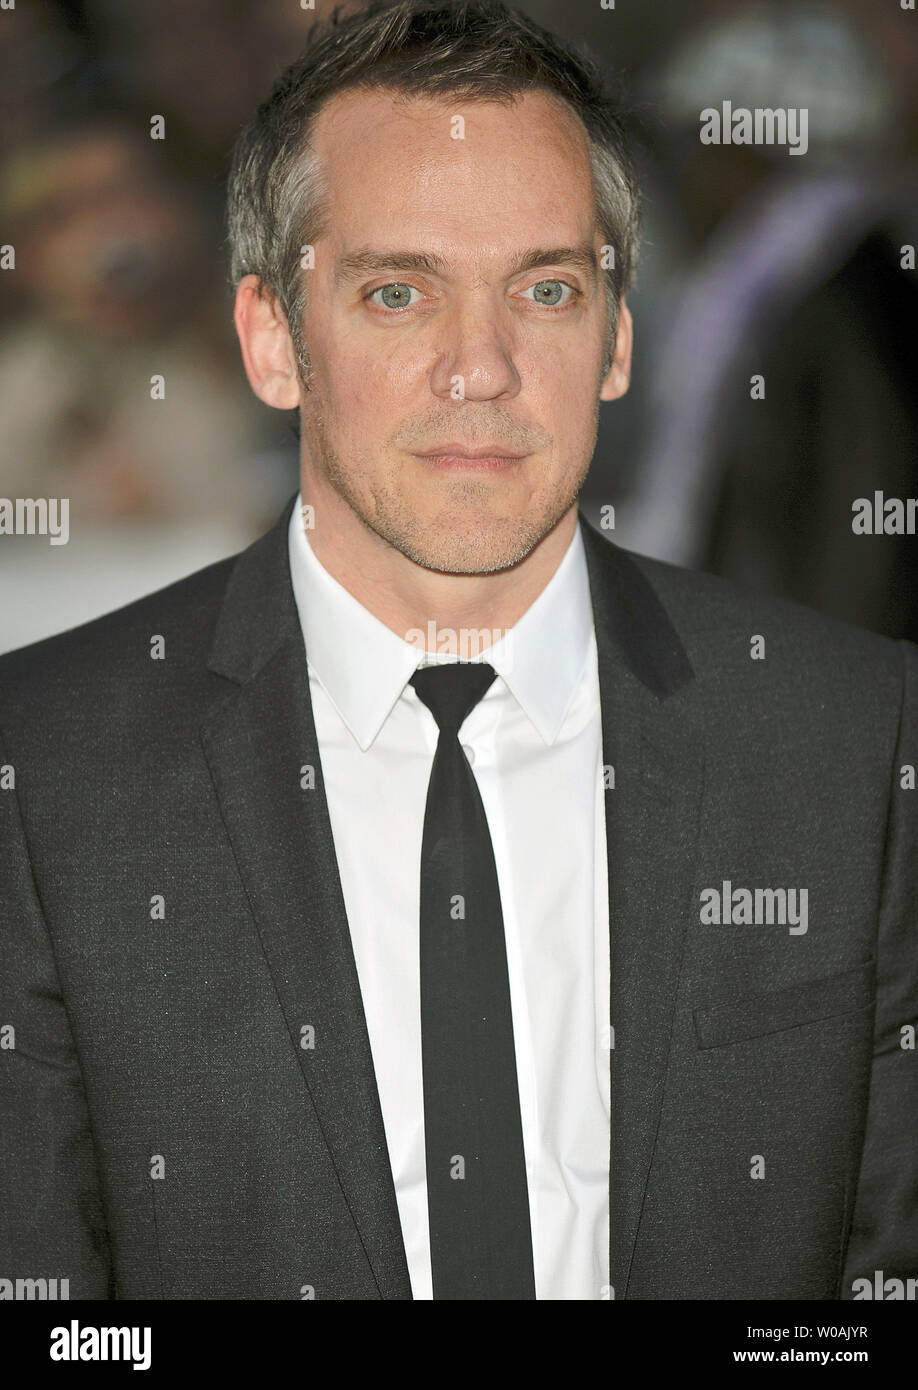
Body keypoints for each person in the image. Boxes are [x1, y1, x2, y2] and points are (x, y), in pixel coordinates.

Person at [0, 0, 915, 1301]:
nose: (478, 367)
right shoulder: (44, 770)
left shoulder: (855, 738)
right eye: (396, 292)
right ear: (272, 340)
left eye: (544, 289)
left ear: (614, 337)